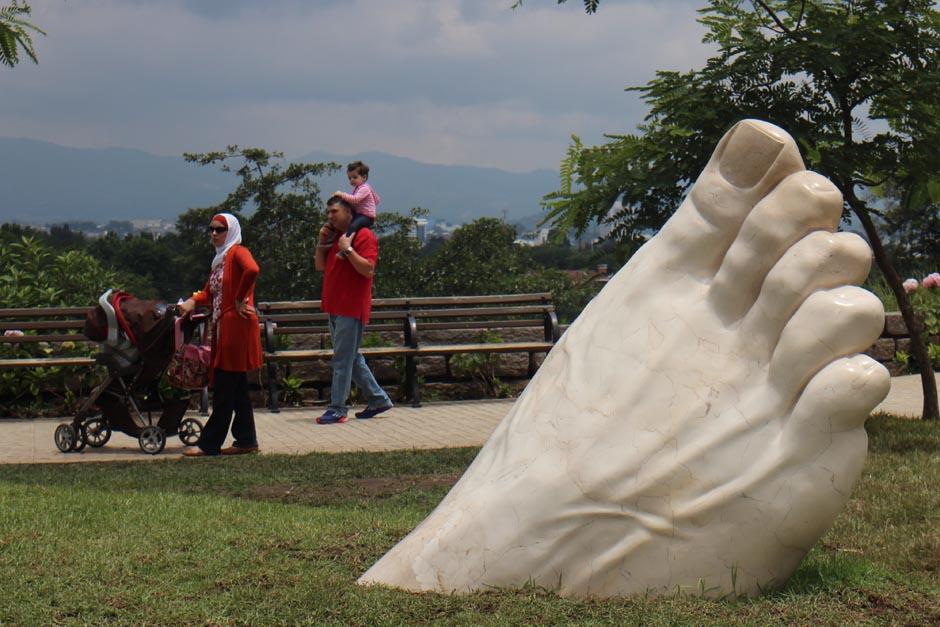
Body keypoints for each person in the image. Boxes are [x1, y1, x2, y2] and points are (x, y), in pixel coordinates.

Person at [179, 213, 263, 456]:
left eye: (220, 229)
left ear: (231, 231)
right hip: (226, 328)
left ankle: (209, 444)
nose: (214, 233)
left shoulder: (237, 252)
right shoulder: (220, 261)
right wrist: (192, 301)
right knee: (236, 389)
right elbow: (208, 293)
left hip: (235, 328)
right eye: (212, 229)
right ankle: (246, 440)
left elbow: (253, 270)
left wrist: (239, 298)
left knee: (225, 388)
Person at [314, 195, 393, 424]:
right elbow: (319, 265)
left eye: (335, 212)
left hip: (350, 307)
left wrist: (347, 250)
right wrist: (322, 241)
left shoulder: (363, 236)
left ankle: (338, 408)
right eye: (328, 212)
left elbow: (368, 269)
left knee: (342, 359)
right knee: (351, 358)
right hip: (334, 306)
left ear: (350, 212)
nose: (330, 217)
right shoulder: (337, 236)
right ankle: (379, 399)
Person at [332, 160, 380, 258]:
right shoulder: (359, 188)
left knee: (353, 226)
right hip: (360, 214)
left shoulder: (364, 188)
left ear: (364, 177)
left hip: (366, 216)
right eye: (349, 178)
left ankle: (345, 248)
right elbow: (377, 200)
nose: (351, 180)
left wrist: (342, 194)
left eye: (355, 177)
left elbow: (355, 199)